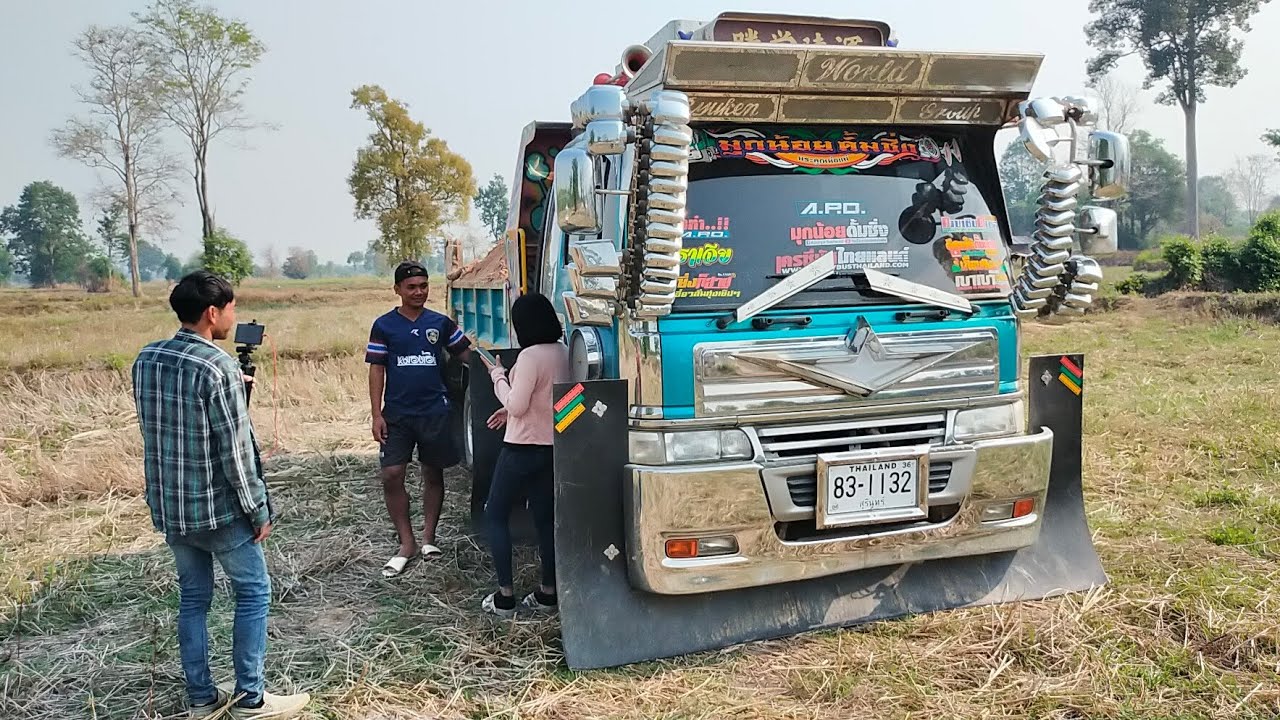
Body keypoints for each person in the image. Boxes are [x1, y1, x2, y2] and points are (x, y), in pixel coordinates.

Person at [132, 271, 309, 719]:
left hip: (171, 505)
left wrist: (235, 396)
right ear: (213, 313)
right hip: (218, 510)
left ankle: (201, 699)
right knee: (253, 593)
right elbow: (235, 453)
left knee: (193, 599)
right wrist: (258, 509)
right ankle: (251, 697)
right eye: (231, 308)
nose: (234, 317)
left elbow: (169, 426)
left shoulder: (147, 358)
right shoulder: (219, 367)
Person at [367, 261, 471, 577]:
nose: (418, 292)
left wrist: (500, 371)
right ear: (397, 289)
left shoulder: (440, 323)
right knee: (392, 474)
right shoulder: (384, 326)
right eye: (411, 287)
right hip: (397, 414)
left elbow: (468, 356)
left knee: (433, 473)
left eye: (424, 286)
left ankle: (428, 538)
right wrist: (376, 414)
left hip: (434, 412)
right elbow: (377, 369)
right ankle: (406, 543)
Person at [479, 293, 570, 616]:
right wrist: (512, 410)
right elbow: (556, 401)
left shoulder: (530, 357)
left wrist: (498, 377)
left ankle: (504, 597)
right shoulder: (565, 352)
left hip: (519, 450)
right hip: (552, 449)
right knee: (545, 520)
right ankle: (548, 592)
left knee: (495, 513)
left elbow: (518, 405)